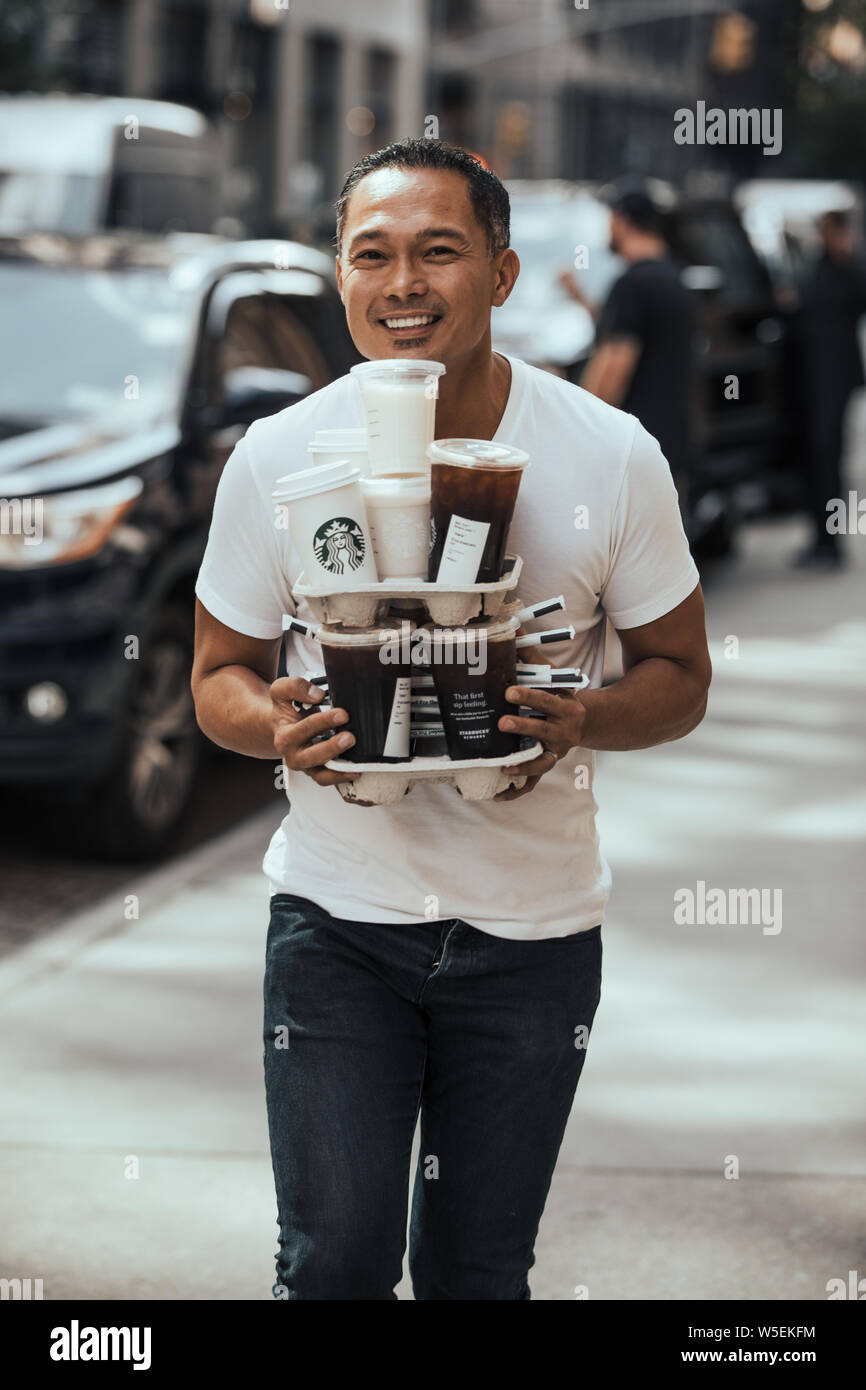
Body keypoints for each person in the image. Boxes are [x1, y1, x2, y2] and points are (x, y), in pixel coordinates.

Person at [191, 139, 712, 1301]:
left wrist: (576, 715)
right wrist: (275, 727)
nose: (403, 283)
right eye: (371, 254)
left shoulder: (608, 453)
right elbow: (217, 677)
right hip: (337, 924)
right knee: (333, 1267)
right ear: (339, 277)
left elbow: (678, 672)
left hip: (531, 938)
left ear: (504, 273)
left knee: (477, 1272)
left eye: (439, 250)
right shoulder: (278, 459)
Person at [559, 179, 697, 495]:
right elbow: (627, 329)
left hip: (633, 450)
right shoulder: (673, 278)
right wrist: (580, 298)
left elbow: (613, 368)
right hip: (668, 446)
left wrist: (578, 432)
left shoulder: (633, 284)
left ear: (621, 220)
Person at [794, 208, 866, 569]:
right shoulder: (818, 265)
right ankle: (820, 539)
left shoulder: (849, 268)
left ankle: (831, 543)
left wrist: (846, 252)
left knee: (829, 458)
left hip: (835, 380)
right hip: (811, 379)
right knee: (814, 461)